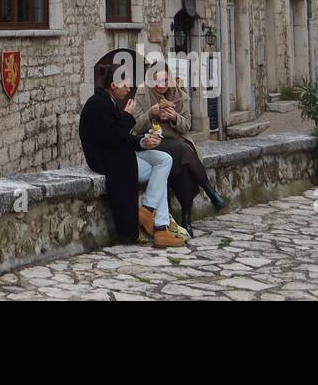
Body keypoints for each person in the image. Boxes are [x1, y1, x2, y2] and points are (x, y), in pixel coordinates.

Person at [78, 48, 187, 248]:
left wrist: (143, 142)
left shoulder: (109, 102)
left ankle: (147, 210)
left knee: (164, 159)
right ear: (113, 85)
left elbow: (124, 138)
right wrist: (128, 118)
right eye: (125, 84)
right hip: (110, 161)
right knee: (159, 171)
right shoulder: (97, 105)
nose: (129, 88)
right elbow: (112, 138)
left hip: (121, 154)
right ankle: (161, 228)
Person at [131, 66, 226, 235]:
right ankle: (210, 191)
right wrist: (151, 114)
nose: (161, 85)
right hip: (154, 141)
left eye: (165, 81)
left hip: (176, 141)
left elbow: (187, 126)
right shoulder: (142, 94)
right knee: (182, 150)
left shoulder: (180, 96)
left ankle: (186, 219)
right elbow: (135, 127)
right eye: (158, 81)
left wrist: (174, 117)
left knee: (184, 170)